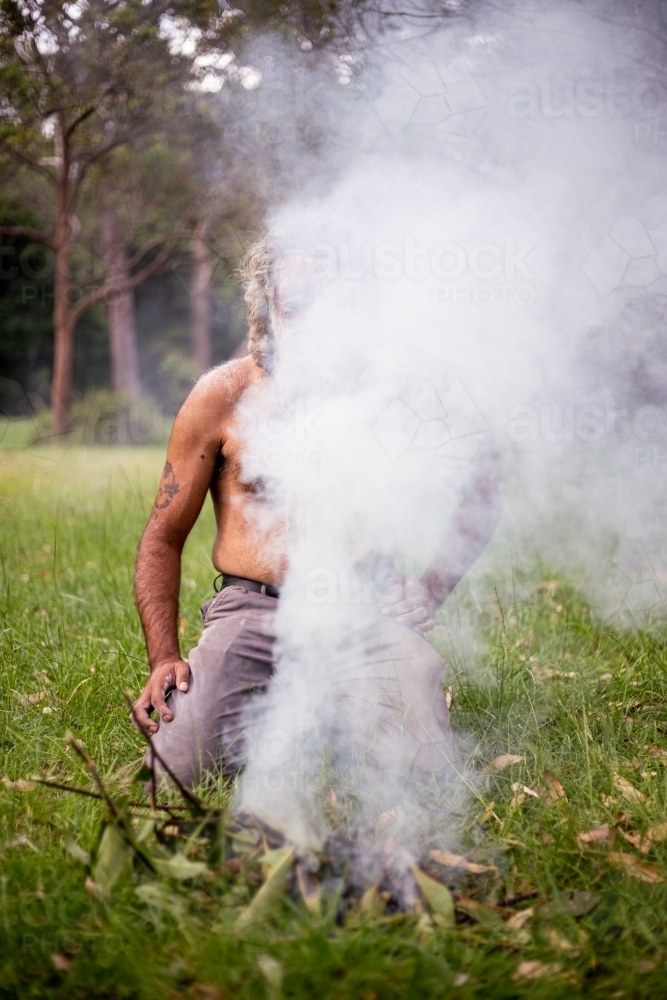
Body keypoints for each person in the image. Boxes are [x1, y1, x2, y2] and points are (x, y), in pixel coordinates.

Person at [132, 233, 502, 787]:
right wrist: (163, 657)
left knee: (423, 779)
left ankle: (343, 713)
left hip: (366, 611)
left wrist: (429, 589)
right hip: (251, 612)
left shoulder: (396, 395)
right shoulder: (223, 395)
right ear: (267, 306)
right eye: (298, 305)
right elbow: (162, 537)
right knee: (171, 777)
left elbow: (483, 491)